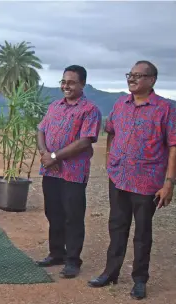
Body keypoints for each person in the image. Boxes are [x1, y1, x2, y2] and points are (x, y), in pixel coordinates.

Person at [88, 61, 175, 300]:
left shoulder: (165, 109)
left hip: (148, 182)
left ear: (152, 80)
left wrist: (169, 183)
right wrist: (108, 160)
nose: (132, 79)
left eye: (138, 75)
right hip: (118, 178)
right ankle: (110, 272)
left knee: (142, 232)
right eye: (130, 75)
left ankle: (139, 280)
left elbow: (173, 146)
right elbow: (111, 132)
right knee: (116, 226)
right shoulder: (120, 104)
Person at [35, 65, 102, 279]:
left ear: (82, 84)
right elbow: (40, 130)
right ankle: (56, 253)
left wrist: (55, 157)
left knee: (72, 217)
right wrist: (46, 155)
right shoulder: (55, 106)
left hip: (73, 173)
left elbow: (84, 141)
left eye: (71, 82)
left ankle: (73, 260)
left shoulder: (90, 110)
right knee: (53, 213)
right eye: (63, 82)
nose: (66, 86)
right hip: (50, 172)